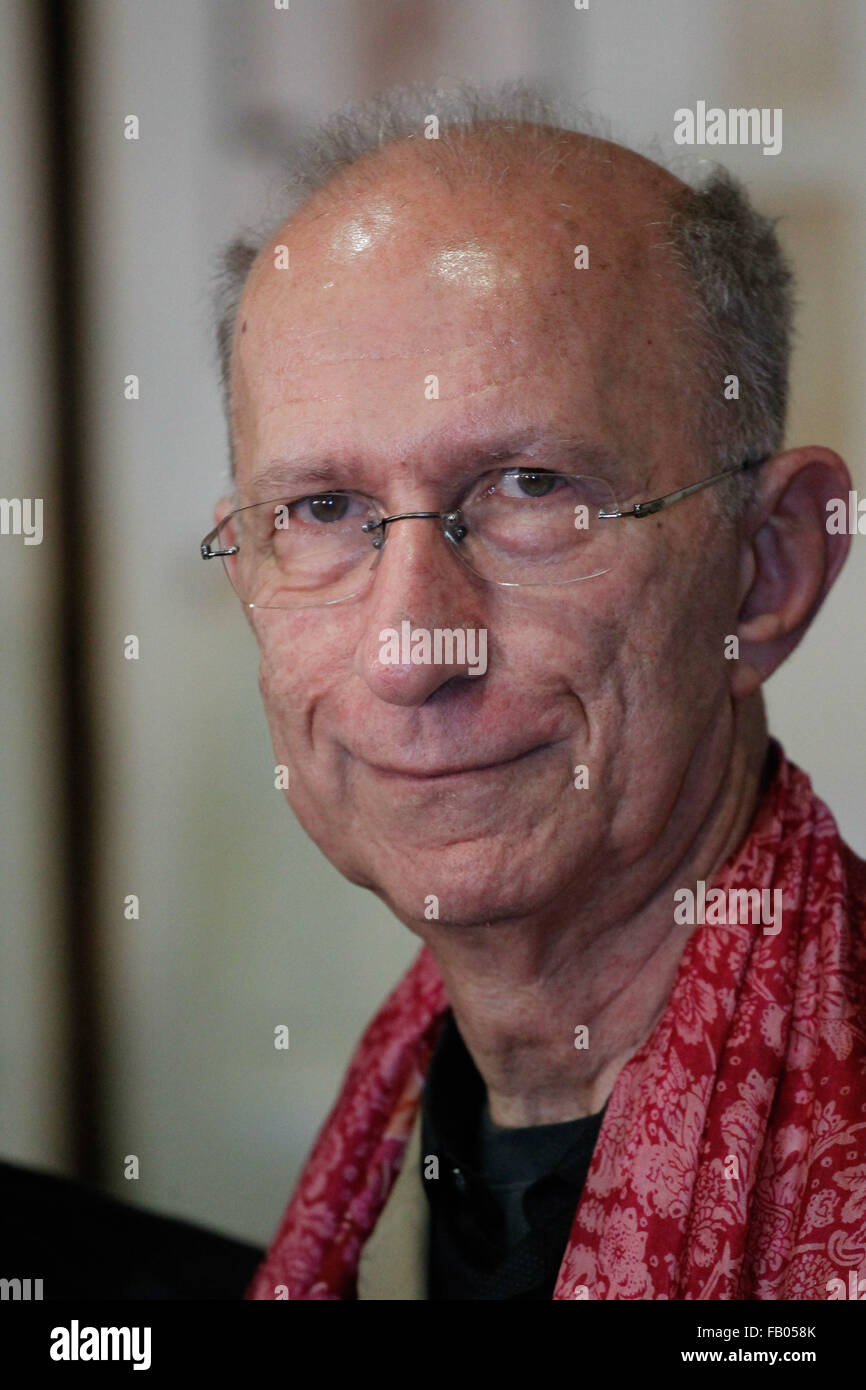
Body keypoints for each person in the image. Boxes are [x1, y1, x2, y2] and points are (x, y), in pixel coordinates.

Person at [202, 85, 866, 1300]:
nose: (408, 650)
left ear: (766, 565)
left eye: (528, 487)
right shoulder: (418, 1118)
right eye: (324, 511)